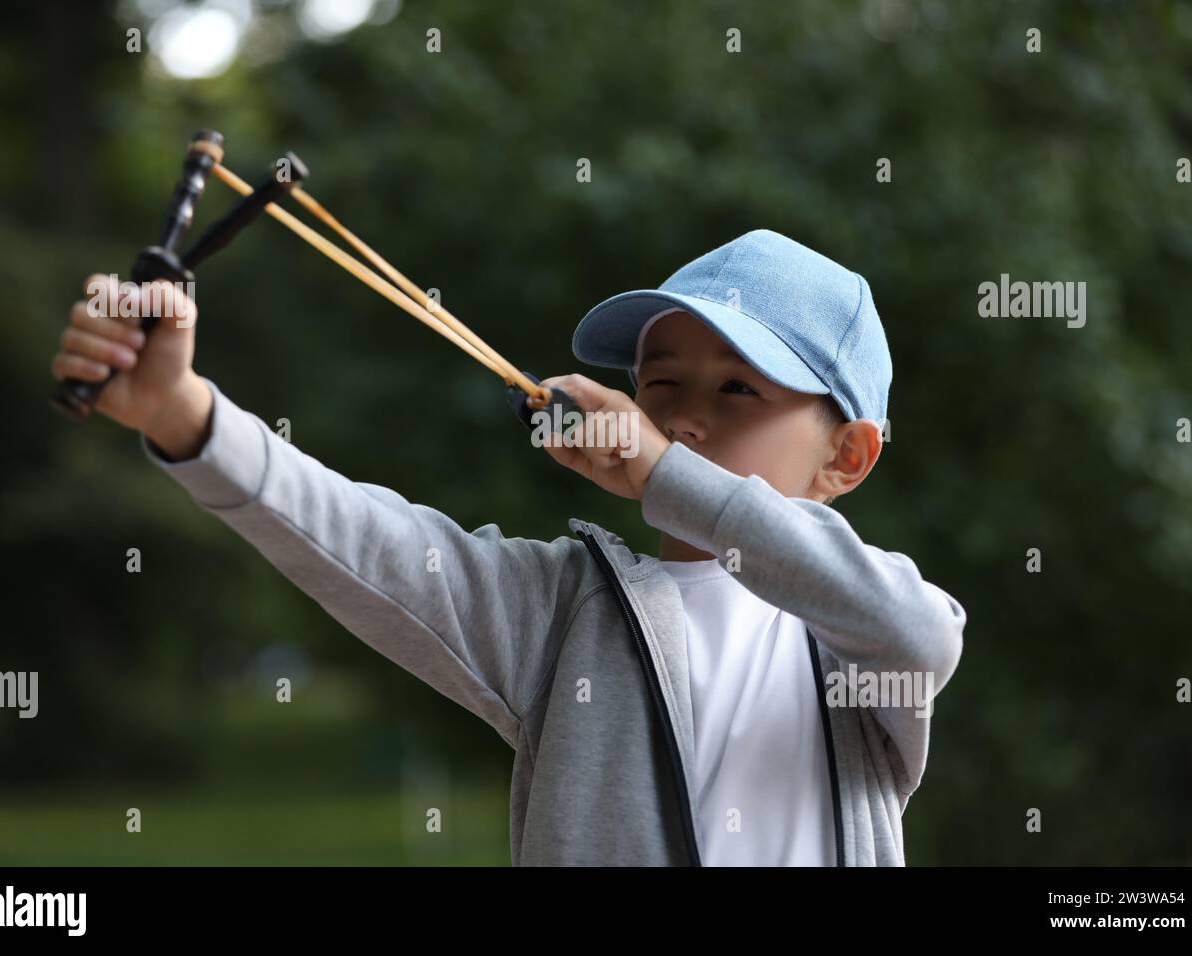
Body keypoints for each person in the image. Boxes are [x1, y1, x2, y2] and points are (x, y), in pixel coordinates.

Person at [51, 228, 966, 865]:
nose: (683, 417)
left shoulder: (857, 635)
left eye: (738, 391)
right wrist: (185, 416)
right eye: (659, 385)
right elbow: (366, 540)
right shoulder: (565, 610)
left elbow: (917, 630)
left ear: (847, 455)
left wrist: (660, 473)